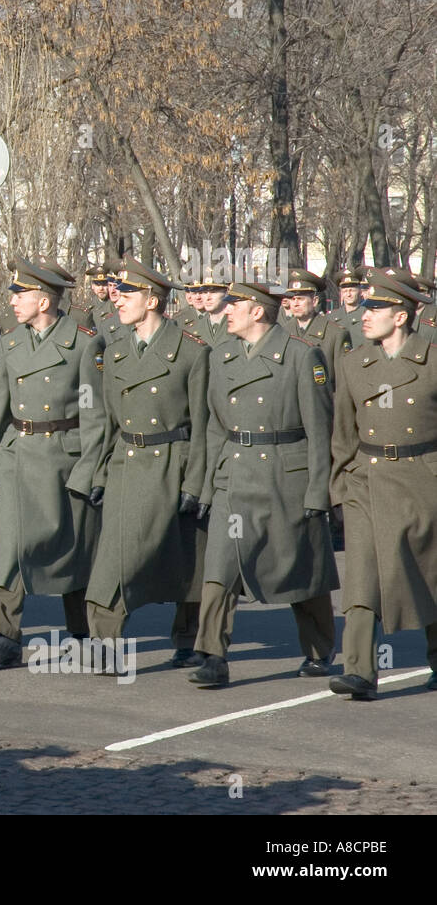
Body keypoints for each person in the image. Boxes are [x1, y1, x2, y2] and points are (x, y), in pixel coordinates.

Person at [189, 281, 338, 687]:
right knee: (219, 566)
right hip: (234, 473)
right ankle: (212, 655)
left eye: (235, 303)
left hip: (285, 475)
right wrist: (206, 486)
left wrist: (318, 490)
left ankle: (319, 649)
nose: (228, 309)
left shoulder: (301, 356)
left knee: (298, 565)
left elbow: (320, 430)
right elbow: (214, 428)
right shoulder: (219, 356)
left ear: (258, 311)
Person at [0, 258, 106, 671]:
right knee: (9, 550)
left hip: (64, 458)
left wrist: (89, 470)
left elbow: (95, 414)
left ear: (44, 300)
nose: (12, 302)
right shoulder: (10, 344)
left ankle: (83, 634)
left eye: (20, 295)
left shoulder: (85, 343)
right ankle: (6, 637)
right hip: (18, 453)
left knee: (73, 549)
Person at [84, 258, 210, 665]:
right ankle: (105, 644)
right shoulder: (114, 351)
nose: (117, 299)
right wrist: (98, 470)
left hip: (173, 461)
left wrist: (196, 484)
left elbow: (204, 425)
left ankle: (188, 638)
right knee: (113, 559)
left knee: (184, 555)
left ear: (153, 300)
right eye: (117, 291)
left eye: (128, 293)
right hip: (127, 461)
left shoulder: (192, 353)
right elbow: (104, 419)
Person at [328, 269, 437, 699]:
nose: (365, 314)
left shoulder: (431, 360)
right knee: (362, 575)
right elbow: (343, 433)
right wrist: (340, 487)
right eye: (366, 306)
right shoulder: (354, 363)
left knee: (426, 572)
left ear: (402, 316)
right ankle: (359, 671)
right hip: (366, 480)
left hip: (421, 479)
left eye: (375, 308)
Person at [280, 268, 351, 389]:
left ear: (314, 301)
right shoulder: (282, 332)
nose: (295, 303)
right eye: (292, 299)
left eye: (301, 299)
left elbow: (343, 383)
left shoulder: (335, 334)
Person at [329, 267, 366, 349]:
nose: (348, 294)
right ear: (341, 293)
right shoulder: (331, 318)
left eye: (352, 290)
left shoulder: (367, 315)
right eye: (345, 291)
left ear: (360, 292)